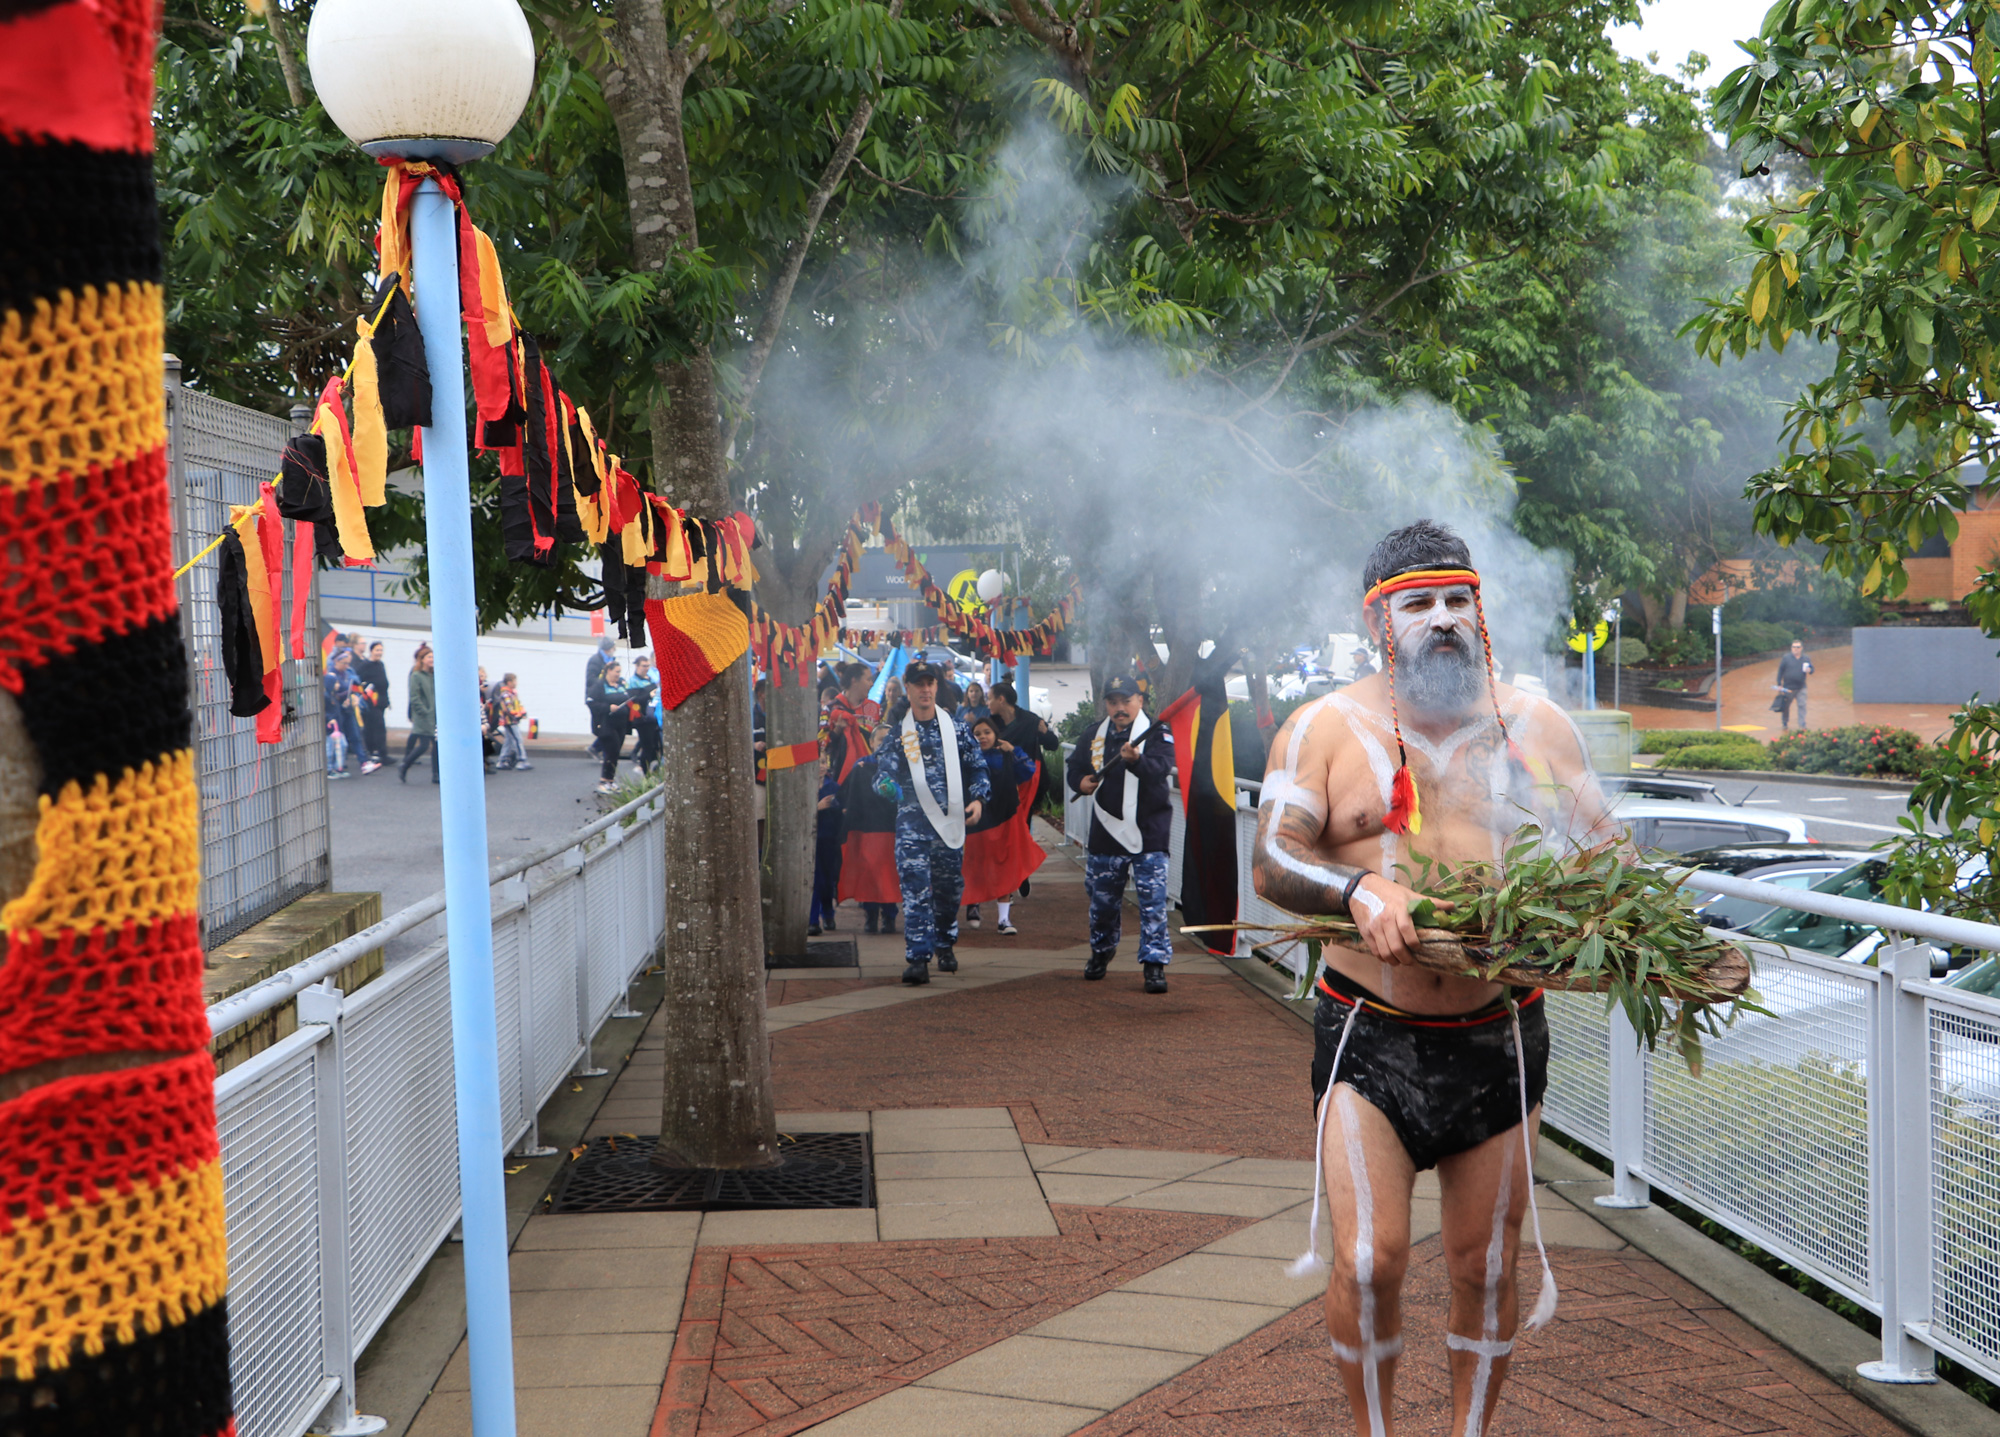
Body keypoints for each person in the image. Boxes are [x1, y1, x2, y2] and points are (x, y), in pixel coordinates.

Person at [1250, 520, 1618, 1437]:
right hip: (1368, 1036)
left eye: (1459, 600)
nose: (1444, 619)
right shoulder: (1325, 729)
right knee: (1372, 1260)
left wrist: (1603, 915)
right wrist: (1359, 885)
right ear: (1380, 619)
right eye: (1419, 603)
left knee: (1486, 1268)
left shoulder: (1532, 724)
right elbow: (1271, 857)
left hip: (1500, 1037)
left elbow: (1606, 850)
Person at [869, 659, 989, 985]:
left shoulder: (957, 729)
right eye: (918, 684)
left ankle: (945, 942)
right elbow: (883, 773)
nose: (925, 689)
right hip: (912, 827)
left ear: (937, 687)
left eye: (930, 683)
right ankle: (918, 958)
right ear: (907, 689)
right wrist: (883, 784)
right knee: (915, 891)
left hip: (949, 824)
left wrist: (978, 798)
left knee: (949, 892)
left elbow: (978, 767)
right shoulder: (898, 735)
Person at [1065, 676, 1176, 993]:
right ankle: (1101, 951)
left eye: (1126, 701)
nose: (1119, 708)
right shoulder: (1094, 734)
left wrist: (1138, 761)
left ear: (1140, 700)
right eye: (1113, 702)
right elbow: (1075, 767)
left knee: (1153, 905)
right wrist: (1079, 782)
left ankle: (1154, 966)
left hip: (1149, 834)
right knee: (1102, 905)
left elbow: (1161, 768)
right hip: (1106, 835)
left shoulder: (1155, 733)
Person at [964, 714, 1034, 934]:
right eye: (977, 733)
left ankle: (1004, 919)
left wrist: (1013, 751)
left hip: (1005, 819)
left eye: (987, 732)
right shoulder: (966, 758)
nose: (983, 737)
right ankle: (972, 904)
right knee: (974, 864)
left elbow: (1027, 771)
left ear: (996, 734)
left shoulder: (1008, 754)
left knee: (1005, 867)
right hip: (977, 820)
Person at [990, 678, 1063, 866]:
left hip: (1027, 781)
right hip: (1001, 782)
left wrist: (1045, 732)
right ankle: (1014, 863)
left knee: (1021, 824)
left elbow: (1053, 745)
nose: (987, 703)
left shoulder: (1030, 720)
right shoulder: (991, 724)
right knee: (1004, 827)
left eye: (990, 699)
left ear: (1001, 700)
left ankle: (1020, 867)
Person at [586, 658, 633, 794]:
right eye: (616, 672)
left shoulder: (621, 685)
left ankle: (610, 781)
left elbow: (628, 697)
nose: (618, 674)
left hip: (621, 724)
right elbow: (591, 702)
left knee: (616, 752)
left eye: (620, 672)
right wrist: (608, 707)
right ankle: (603, 781)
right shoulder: (600, 685)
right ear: (609, 671)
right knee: (611, 751)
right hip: (606, 724)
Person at [809, 754, 843, 936]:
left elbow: (841, 812)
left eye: (823, 762)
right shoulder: (805, 786)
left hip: (830, 839)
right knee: (814, 880)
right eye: (817, 763)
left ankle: (828, 914)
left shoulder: (834, 787)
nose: (821, 766)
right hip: (811, 839)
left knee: (828, 880)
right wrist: (817, 807)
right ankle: (812, 920)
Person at [323, 648, 366, 778]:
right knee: (330, 749)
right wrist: (330, 719)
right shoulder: (327, 696)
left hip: (339, 723)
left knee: (343, 745)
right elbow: (326, 711)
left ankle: (339, 767)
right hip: (331, 727)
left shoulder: (345, 676)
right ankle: (329, 769)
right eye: (345, 663)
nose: (337, 685)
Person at [400, 644, 439, 784]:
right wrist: (424, 710)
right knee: (423, 745)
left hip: (435, 716)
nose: (432, 659)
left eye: (433, 657)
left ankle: (436, 774)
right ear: (422, 659)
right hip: (423, 716)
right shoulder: (416, 675)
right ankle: (405, 765)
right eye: (429, 657)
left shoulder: (435, 675)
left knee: (436, 746)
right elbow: (414, 696)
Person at [352, 640, 391, 771]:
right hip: (371, 702)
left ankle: (378, 753)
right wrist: (363, 694)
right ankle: (379, 753)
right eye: (377, 650)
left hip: (381, 701)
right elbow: (356, 680)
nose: (379, 652)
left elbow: (384, 684)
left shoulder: (381, 665)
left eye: (381, 650)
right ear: (371, 651)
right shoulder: (365, 665)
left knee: (378, 727)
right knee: (376, 728)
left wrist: (388, 701)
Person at [628, 654, 662, 774]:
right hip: (641, 718)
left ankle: (652, 770)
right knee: (646, 746)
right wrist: (649, 695)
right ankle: (645, 772)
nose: (646, 668)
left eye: (647, 666)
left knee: (655, 746)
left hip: (652, 716)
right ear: (637, 666)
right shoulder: (633, 681)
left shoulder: (649, 679)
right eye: (643, 666)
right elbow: (634, 699)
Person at [492, 672, 531, 770]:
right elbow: (508, 709)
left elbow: (518, 705)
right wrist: (519, 715)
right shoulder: (506, 694)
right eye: (515, 681)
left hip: (512, 720)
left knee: (508, 741)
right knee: (518, 740)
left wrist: (522, 712)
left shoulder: (512, 693)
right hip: (510, 721)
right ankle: (522, 760)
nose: (516, 683)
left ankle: (502, 761)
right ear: (509, 682)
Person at [585, 634, 616, 756]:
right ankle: (597, 748)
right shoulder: (595, 660)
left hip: (607, 696)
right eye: (613, 648)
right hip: (596, 697)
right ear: (607, 649)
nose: (614, 651)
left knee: (608, 724)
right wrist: (605, 675)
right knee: (601, 726)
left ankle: (598, 749)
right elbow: (591, 680)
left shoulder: (611, 660)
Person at [1774, 639, 1814, 730]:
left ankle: (1802, 724)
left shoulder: (1806, 658)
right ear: (1791, 648)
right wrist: (1779, 684)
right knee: (1786, 706)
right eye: (1794, 647)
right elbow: (1780, 670)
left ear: (1801, 648)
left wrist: (1810, 670)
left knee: (1802, 705)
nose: (1796, 649)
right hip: (1788, 688)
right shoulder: (1786, 658)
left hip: (1801, 687)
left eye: (1798, 647)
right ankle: (1785, 722)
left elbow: (1812, 669)